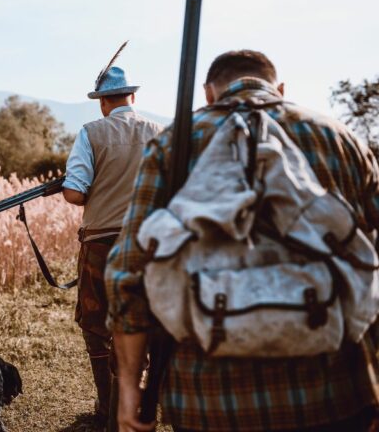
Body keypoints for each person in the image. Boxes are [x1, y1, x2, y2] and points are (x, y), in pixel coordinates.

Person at [105, 50, 379, 432]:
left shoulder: (174, 144)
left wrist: (131, 390)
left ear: (209, 94)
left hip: (208, 399)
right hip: (335, 393)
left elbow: (129, 271)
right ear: (280, 89)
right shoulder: (341, 139)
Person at [63, 64, 163, 430]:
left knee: (97, 326)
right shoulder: (159, 132)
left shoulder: (90, 133)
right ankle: (138, 405)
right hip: (147, 244)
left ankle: (108, 408)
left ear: (103, 103)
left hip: (101, 244)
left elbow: (75, 192)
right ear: (132, 97)